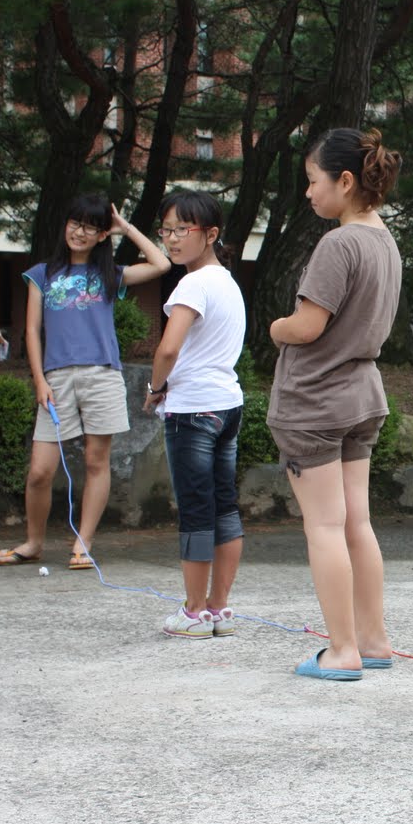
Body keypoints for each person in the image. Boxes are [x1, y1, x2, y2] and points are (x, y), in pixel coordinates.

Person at [269, 128, 402, 681]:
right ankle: (372, 639)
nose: (308, 193)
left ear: (344, 182)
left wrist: (274, 326)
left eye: (313, 182)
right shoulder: (386, 240)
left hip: (316, 401)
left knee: (324, 527)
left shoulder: (338, 244)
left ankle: (341, 650)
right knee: (357, 523)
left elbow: (307, 325)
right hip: (362, 395)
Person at [0, 194, 170, 571]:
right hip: (55, 378)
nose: (80, 232)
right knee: (40, 470)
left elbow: (161, 263)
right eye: (76, 223)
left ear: (102, 234)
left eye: (91, 226)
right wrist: (39, 380)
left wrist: (125, 227)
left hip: (102, 375)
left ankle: (82, 543)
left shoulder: (109, 275)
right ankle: (34, 541)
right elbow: (31, 330)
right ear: (65, 224)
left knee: (95, 461)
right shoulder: (41, 273)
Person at [143, 190, 247, 639]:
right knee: (224, 507)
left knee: (196, 511)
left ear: (210, 234)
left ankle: (192, 611)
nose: (172, 239)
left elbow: (169, 347)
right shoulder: (228, 282)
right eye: (165, 230)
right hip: (228, 404)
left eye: (182, 230)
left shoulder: (192, 284)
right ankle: (218, 609)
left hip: (191, 410)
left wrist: (155, 388)